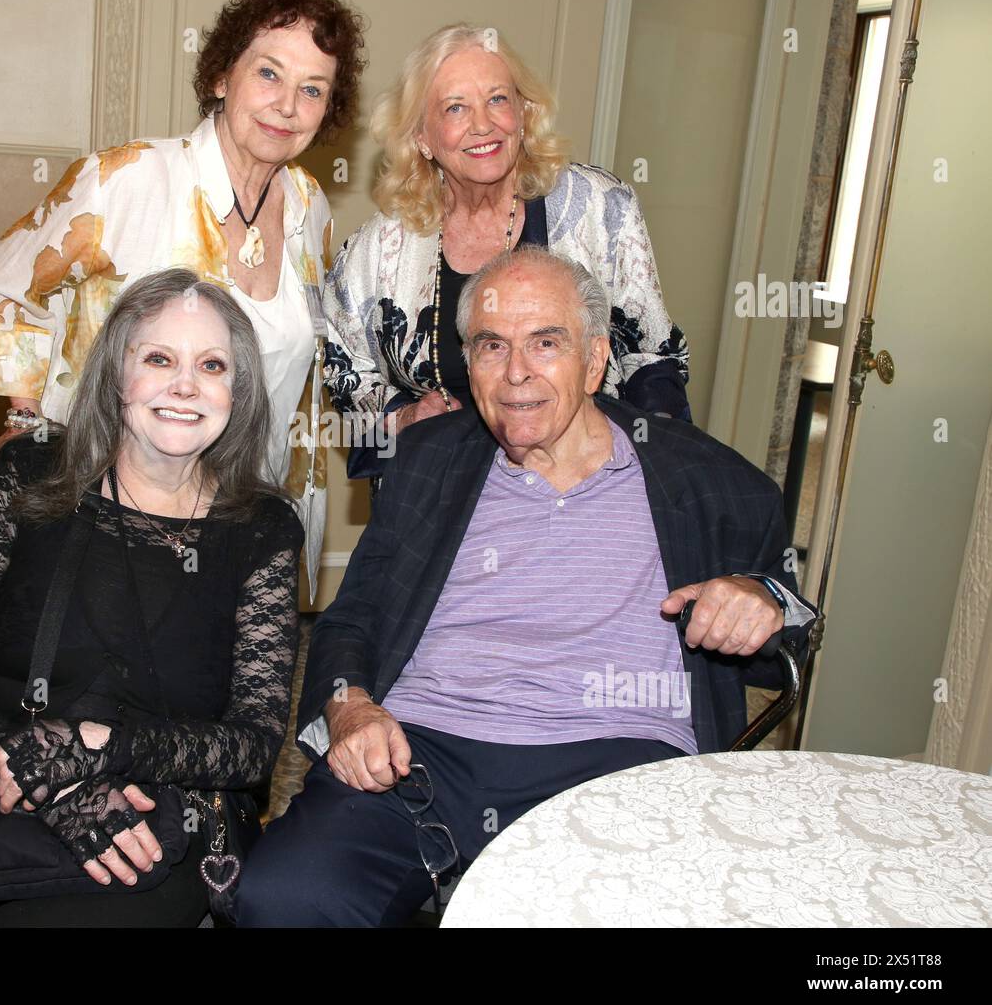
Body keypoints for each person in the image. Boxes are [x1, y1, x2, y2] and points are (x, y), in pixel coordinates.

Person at [237, 247, 816, 927]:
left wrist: (765, 599)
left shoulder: (708, 479)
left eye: (546, 342)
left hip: (617, 760)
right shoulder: (428, 462)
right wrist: (352, 707)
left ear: (596, 360)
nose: (516, 374)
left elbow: (795, 618)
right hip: (422, 753)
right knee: (284, 895)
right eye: (491, 346)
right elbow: (346, 620)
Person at [0, 269, 304, 927]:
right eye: (158, 357)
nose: (185, 385)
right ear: (116, 373)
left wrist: (98, 749)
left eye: (212, 364)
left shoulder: (264, 529)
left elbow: (250, 746)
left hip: (153, 798)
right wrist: (34, 768)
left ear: (236, 391)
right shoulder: (31, 473)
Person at [0, 0, 364, 599]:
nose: (287, 105)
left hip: (244, 510)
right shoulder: (131, 177)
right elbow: (7, 286)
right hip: (109, 498)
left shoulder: (311, 209)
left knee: (212, 683)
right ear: (222, 76)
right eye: (269, 74)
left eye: (313, 89)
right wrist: (24, 423)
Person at [323, 24, 690, 482]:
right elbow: (345, 372)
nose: (483, 124)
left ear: (524, 112)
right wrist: (404, 419)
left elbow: (652, 358)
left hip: (590, 486)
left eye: (497, 99)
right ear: (422, 137)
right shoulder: (376, 249)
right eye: (455, 107)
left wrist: (653, 481)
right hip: (438, 497)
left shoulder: (599, 207)